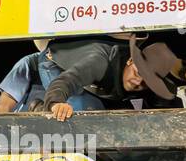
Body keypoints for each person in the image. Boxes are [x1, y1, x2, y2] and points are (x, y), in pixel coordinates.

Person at [36, 36, 178, 121]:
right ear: (130, 61)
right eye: (139, 73)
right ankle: (38, 108)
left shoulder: (142, 84)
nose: (139, 82)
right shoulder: (99, 62)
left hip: (103, 85)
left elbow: (164, 108)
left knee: (125, 119)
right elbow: (66, 81)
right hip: (56, 63)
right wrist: (55, 103)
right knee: (84, 110)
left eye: (148, 82)